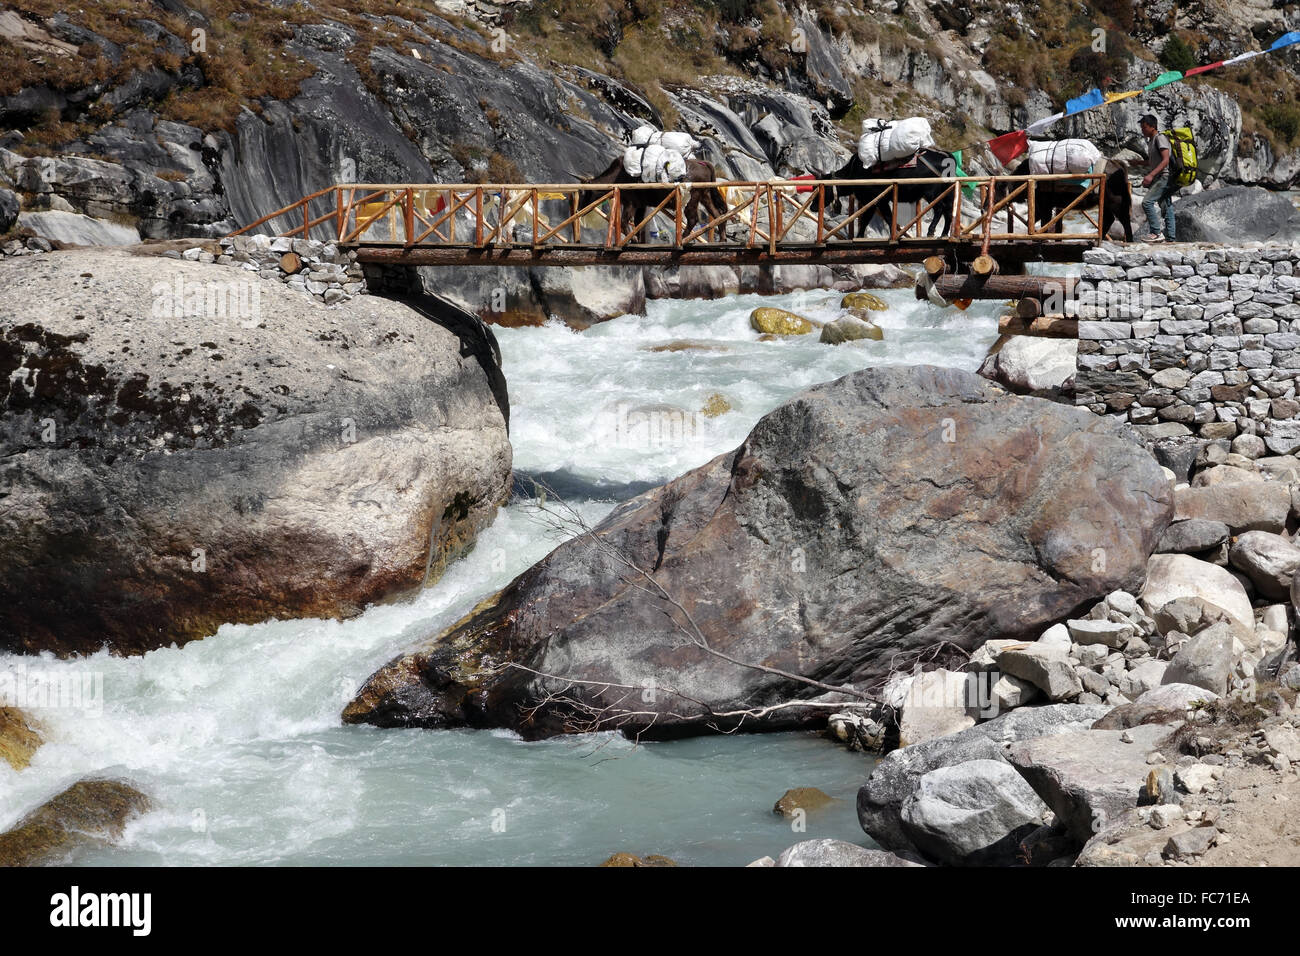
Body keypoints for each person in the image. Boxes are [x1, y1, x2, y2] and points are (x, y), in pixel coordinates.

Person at [1139, 114, 1176, 242]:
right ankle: (1170, 237)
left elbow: (1165, 160)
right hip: (1160, 177)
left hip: (1164, 177)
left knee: (1147, 202)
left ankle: (1156, 232)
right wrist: (1137, 163)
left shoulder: (1160, 139)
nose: (1142, 130)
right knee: (1167, 206)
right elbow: (1153, 161)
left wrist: (1150, 175)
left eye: (1144, 127)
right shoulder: (1152, 141)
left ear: (1153, 127)